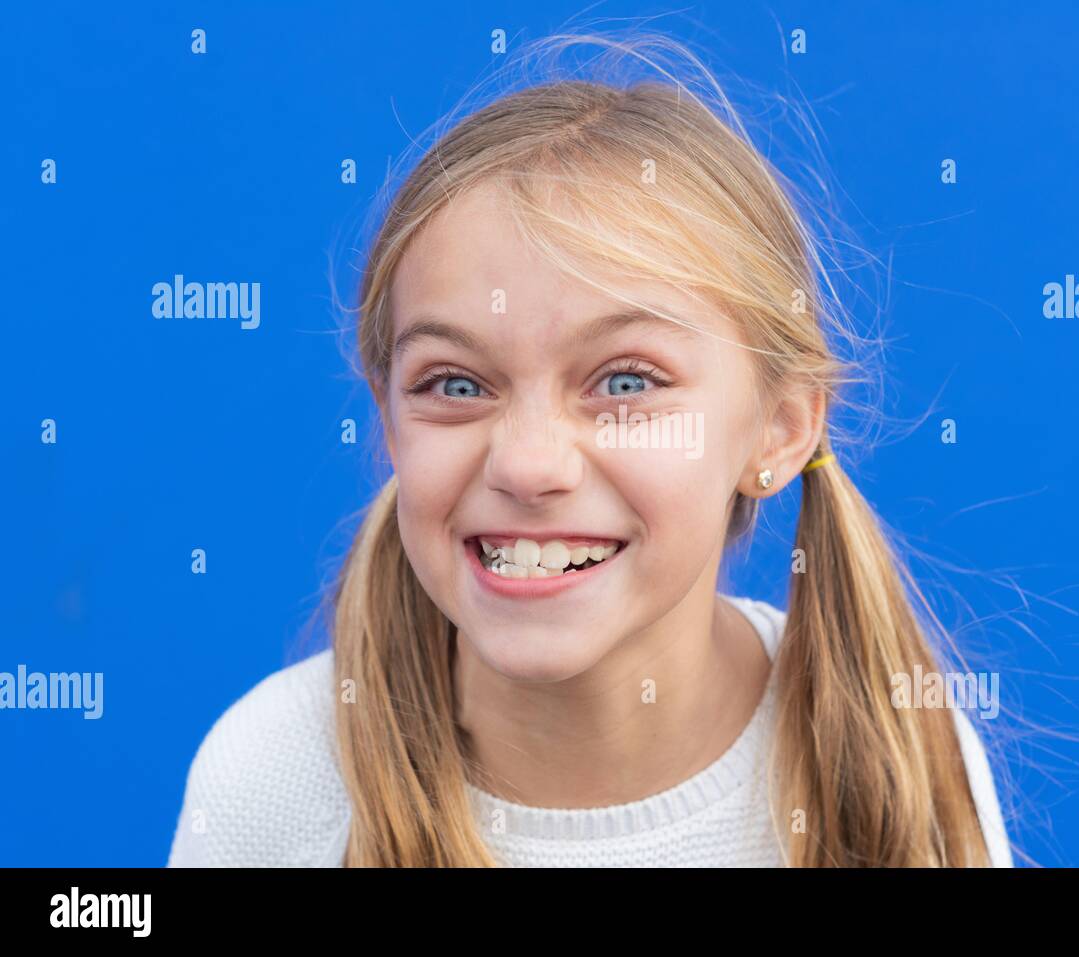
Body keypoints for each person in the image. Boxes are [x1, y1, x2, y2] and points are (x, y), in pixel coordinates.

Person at [167, 29, 1014, 868]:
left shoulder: (902, 756)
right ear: (388, 424)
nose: (528, 465)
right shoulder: (273, 779)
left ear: (781, 428)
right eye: (455, 385)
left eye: (626, 381)